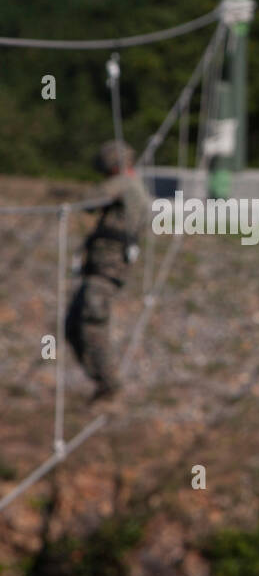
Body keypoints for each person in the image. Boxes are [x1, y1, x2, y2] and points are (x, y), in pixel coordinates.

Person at [65, 141, 150, 403]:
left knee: (91, 324)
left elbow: (90, 201)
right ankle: (104, 384)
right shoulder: (131, 184)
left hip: (106, 269)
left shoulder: (124, 183)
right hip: (101, 268)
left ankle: (110, 388)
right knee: (73, 325)